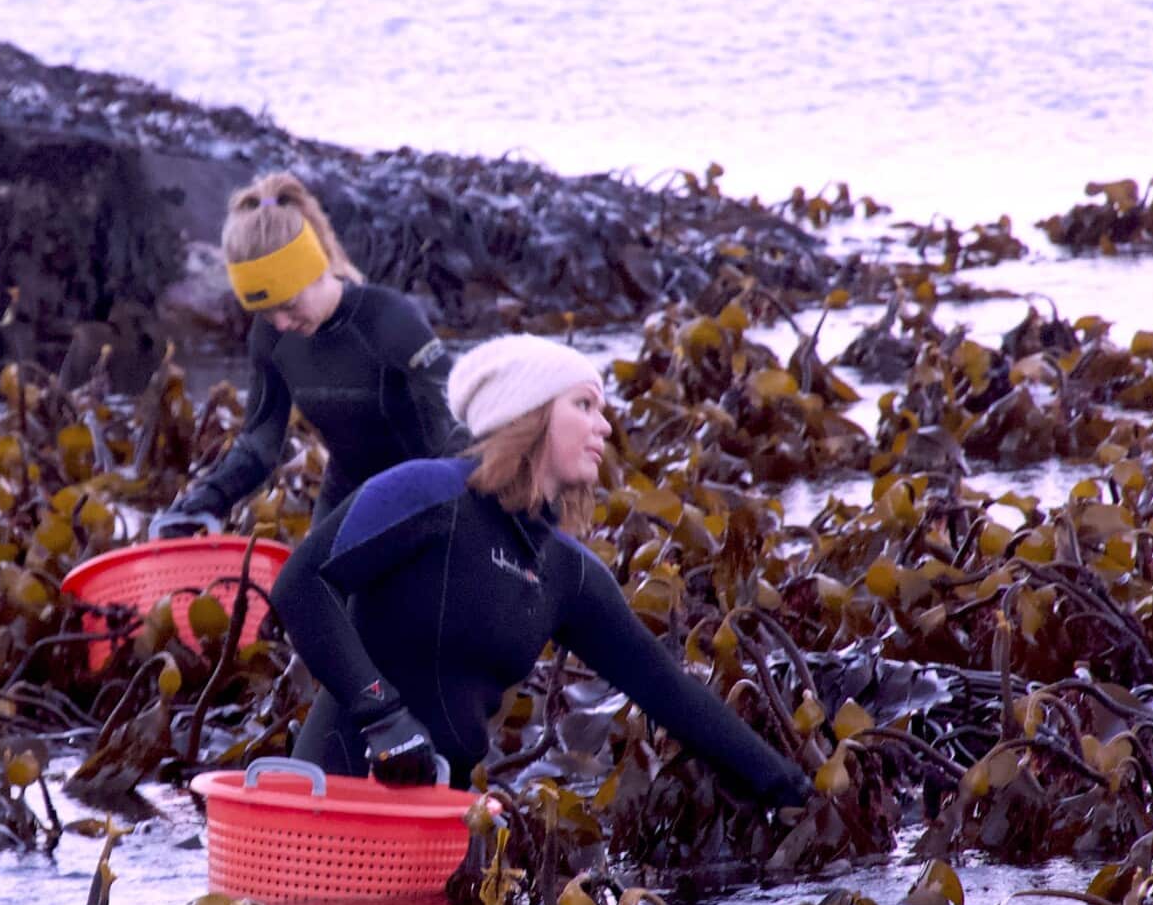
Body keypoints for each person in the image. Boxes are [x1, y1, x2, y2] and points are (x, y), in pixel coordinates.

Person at [269, 331, 811, 801]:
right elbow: (301, 583)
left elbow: (664, 689)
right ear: (526, 414)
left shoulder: (564, 570)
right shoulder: (426, 494)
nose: (604, 428)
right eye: (584, 406)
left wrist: (786, 786)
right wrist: (382, 717)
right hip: (331, 802)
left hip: (435, 820)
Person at [154, 173, 457, 535]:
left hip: (429, 506)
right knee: (291, 592)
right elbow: (259, 445)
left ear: (314, 269)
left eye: (289, 305)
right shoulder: (271, 338)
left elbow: (460, 427)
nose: (280, 323)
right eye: (266, 312)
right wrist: (203, 501)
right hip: (342, 504)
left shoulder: (388, 319)